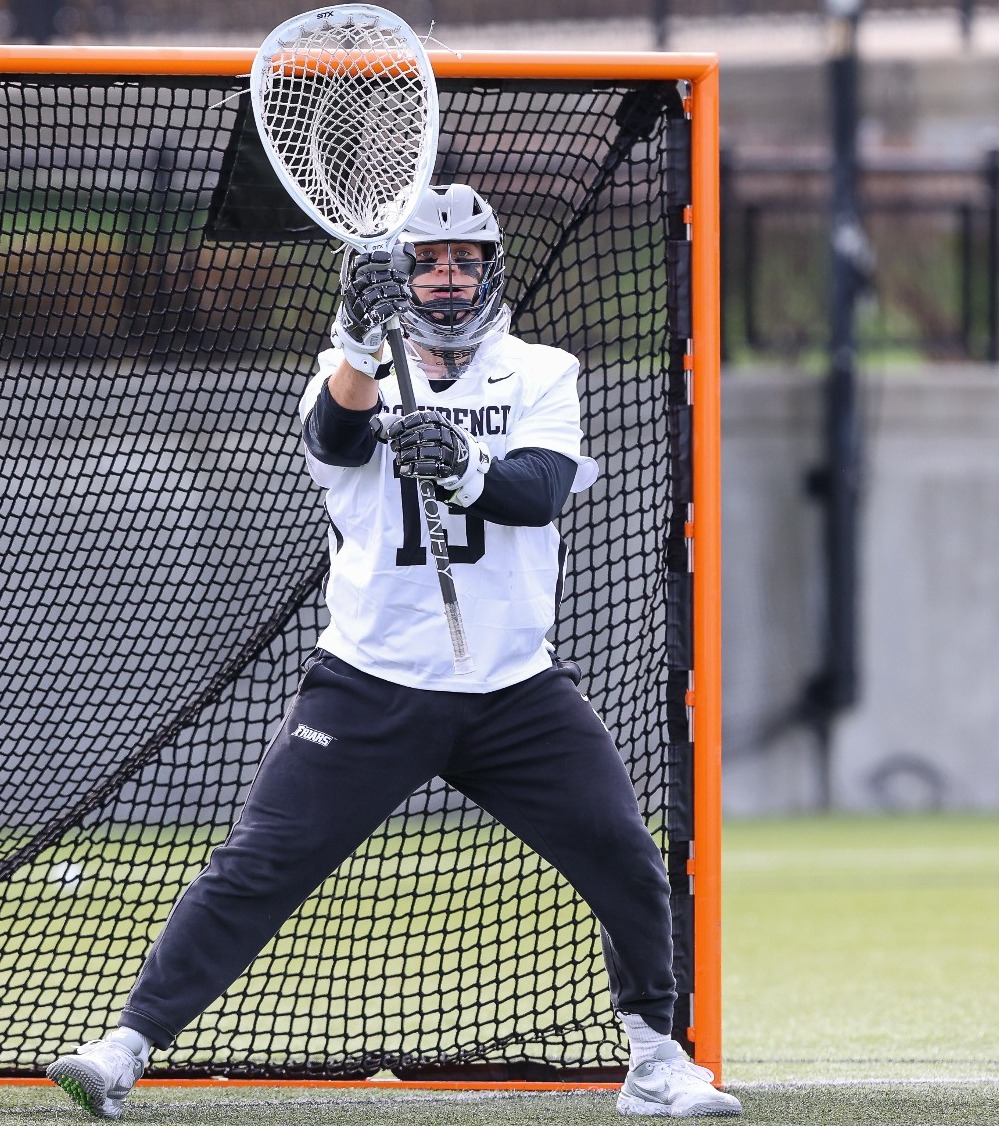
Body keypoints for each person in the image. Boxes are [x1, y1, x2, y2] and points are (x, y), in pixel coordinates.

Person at [47, 184, 742, 1120]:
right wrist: (359, 348)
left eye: (465, 261)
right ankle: (126, 1046)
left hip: (512, 688)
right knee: (257, 866)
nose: (448, 280)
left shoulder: (540, 370)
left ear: (491, 270)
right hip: (371, 686)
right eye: (428, 261)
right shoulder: (351, 377)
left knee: (623, 853)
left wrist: (461, 467)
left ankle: (656, 1063)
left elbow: (537, 491)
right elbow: (336, 436)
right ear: (400, 273)